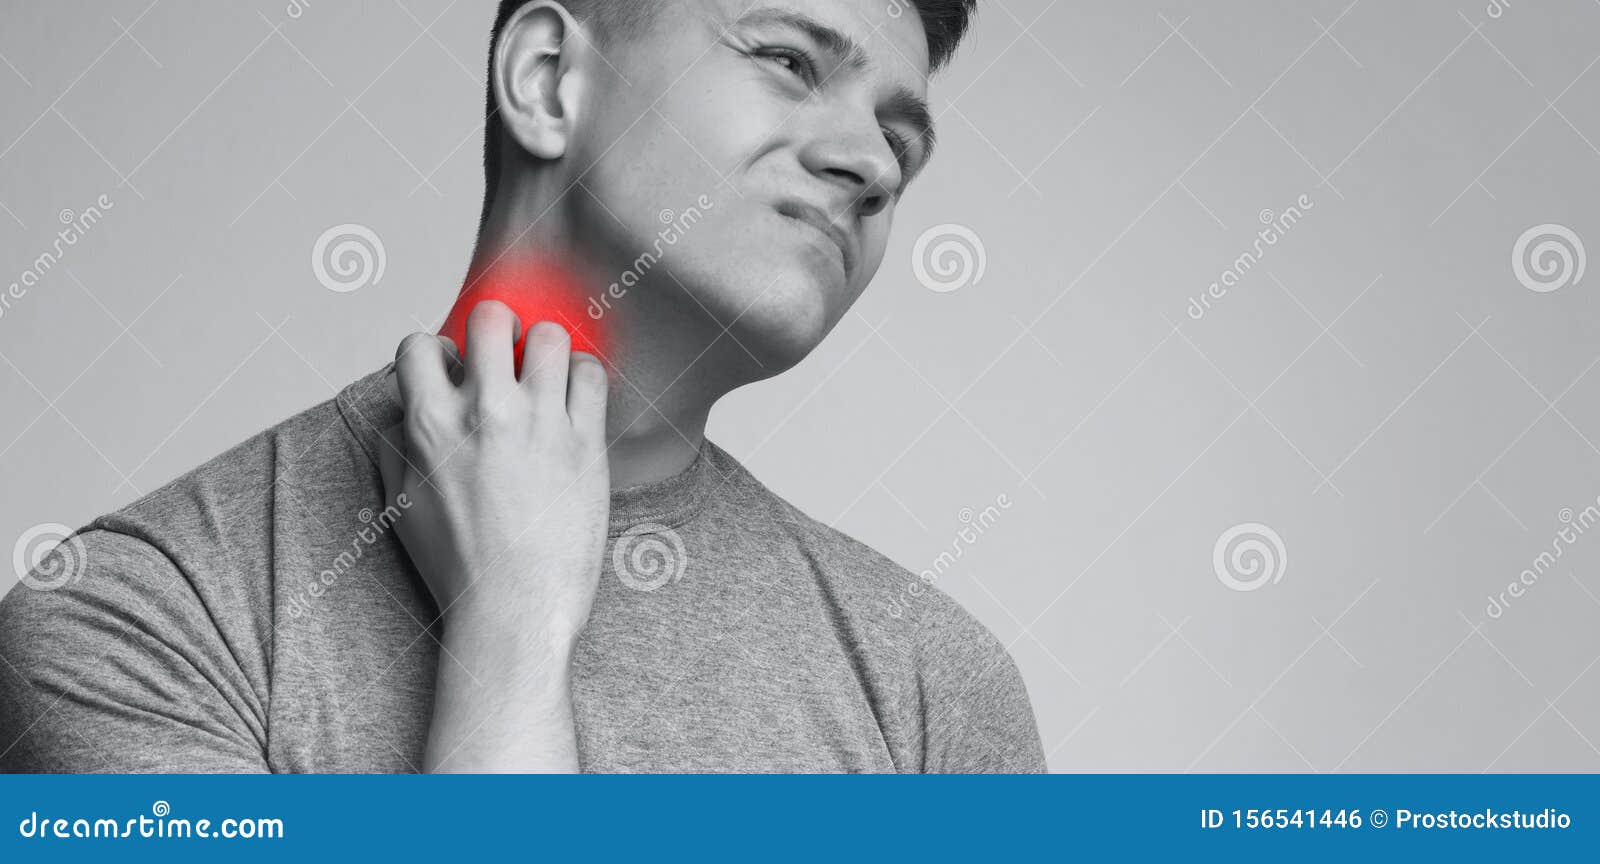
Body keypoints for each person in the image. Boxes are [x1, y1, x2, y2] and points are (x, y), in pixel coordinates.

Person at [0, 0, 1044, 773]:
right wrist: (513, 628)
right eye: (788, 59)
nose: (872, 162)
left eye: (902, 140)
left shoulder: (937, 688)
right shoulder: (131, 621)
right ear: (548, 80)